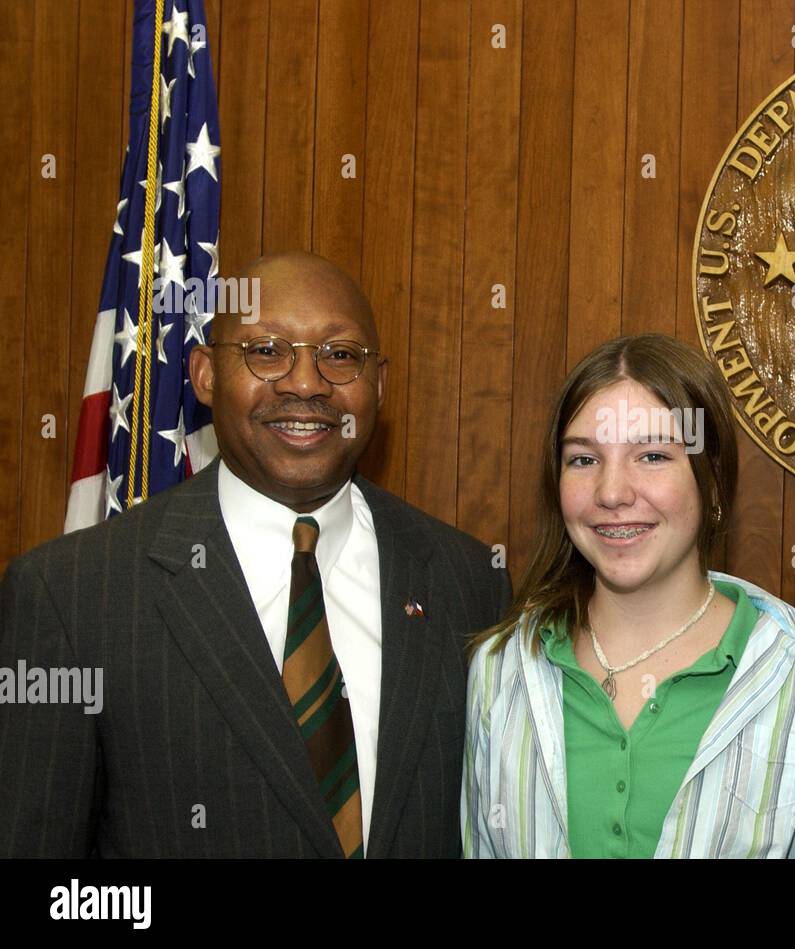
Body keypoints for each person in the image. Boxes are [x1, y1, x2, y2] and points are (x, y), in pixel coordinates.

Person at [0, 251, 509, 858]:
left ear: (379, 383)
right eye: (266, 350)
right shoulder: (71, 594)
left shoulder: (471, 581)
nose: (305, 382)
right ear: (205, 374)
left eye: (340, 355)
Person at [461, 333, 795, 858]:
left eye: (652, 455)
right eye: (583, 460)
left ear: (713, 481)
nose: (612, 492)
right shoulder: (501, 669)